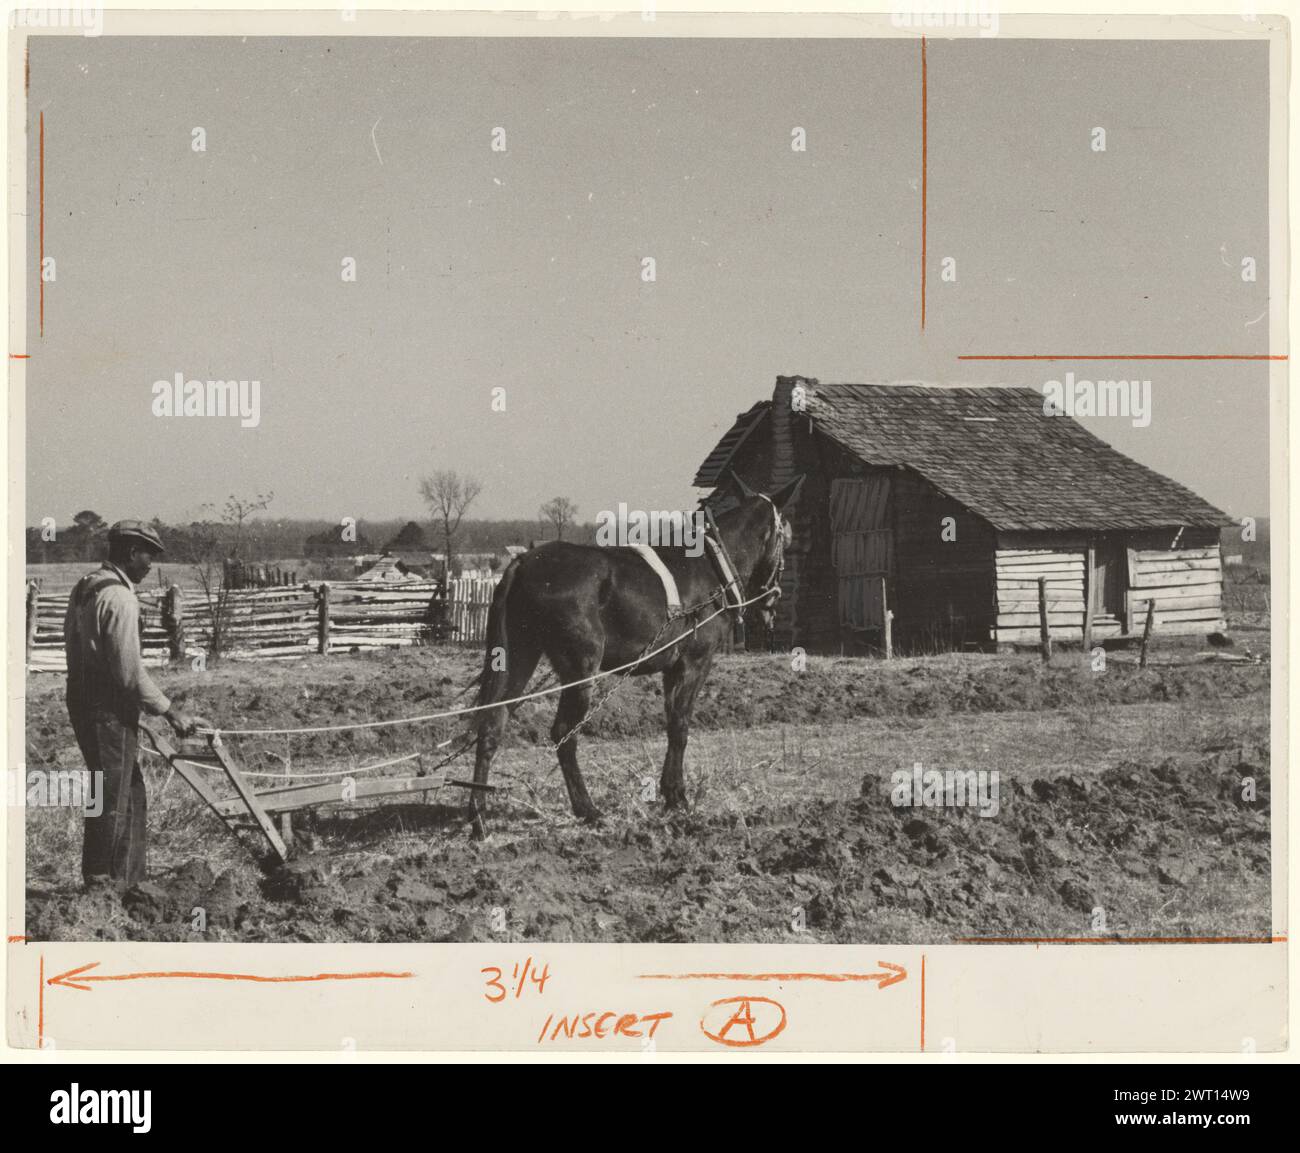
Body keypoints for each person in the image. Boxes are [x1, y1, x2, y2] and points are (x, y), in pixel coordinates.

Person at [63, 520, 206, 889]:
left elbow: (77, 651)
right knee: (114, 797)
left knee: (123, 792)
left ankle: (126, 882)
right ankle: (104, 885)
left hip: (83, 699)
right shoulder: (121, 599)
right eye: (148, 557)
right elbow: (129, 673)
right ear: (130, 553)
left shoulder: (85, 586)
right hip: (107, 708)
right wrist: (170, 711)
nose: (149, 566)